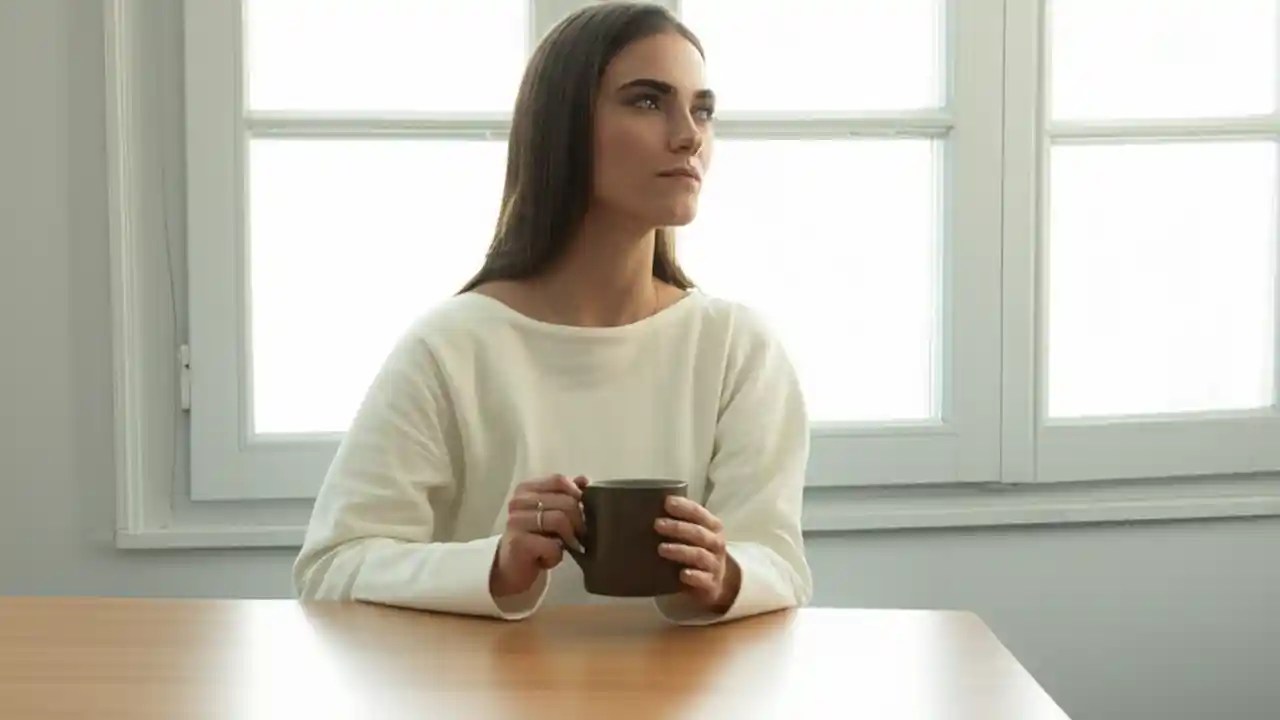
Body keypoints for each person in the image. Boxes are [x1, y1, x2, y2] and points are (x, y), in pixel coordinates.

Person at [293, 2, 813, 625]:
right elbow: (330, 569)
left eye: (701, 108)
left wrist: (724, 574)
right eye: (648, 101)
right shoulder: (450, 346)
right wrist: (496, 567)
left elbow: (780, 564)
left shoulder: (738, 347)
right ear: (562, 126)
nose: (689, 134)